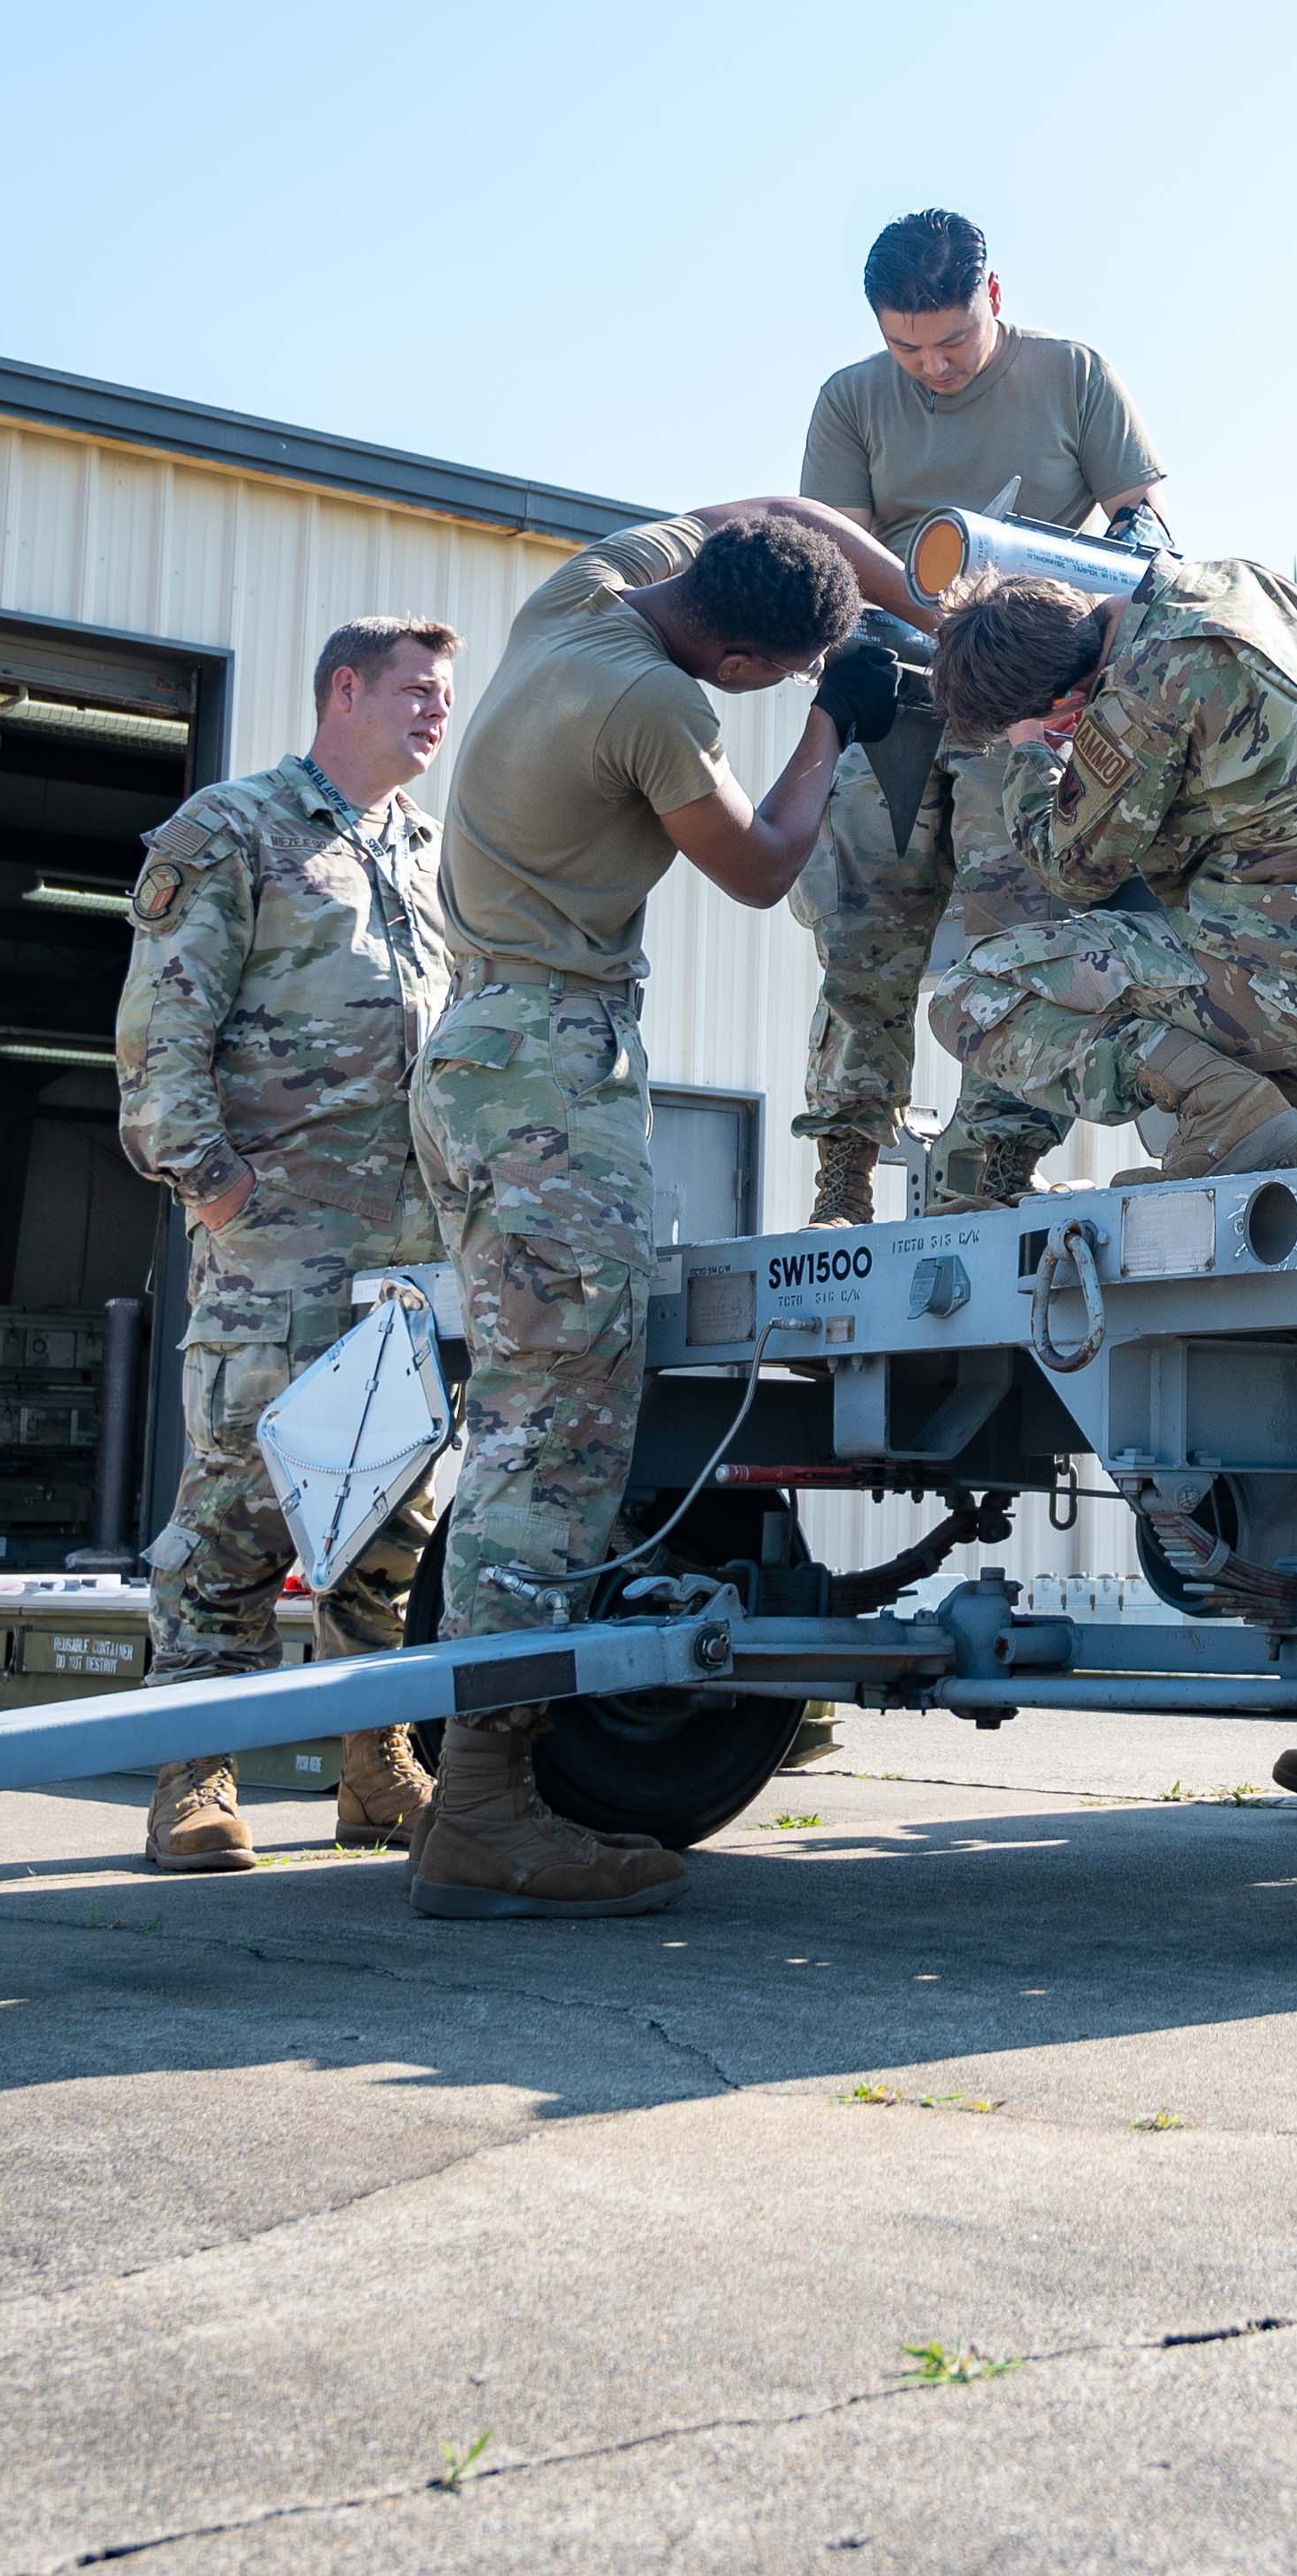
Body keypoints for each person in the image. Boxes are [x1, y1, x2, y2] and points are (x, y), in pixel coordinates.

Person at [407, 500, 917, 1918]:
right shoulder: (653, 701)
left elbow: (784, 509)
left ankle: (473, 1785)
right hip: (548, 1083)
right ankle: (488, 1811)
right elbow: (759, 865)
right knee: (554, 1443)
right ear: (749, 663)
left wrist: (916, 610)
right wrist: (837, 722)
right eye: (779, 677)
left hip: (484, 1055)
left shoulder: (584, 596)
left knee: (525, 1424)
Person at [114, 616, 465, 1873]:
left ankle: (374, 1760)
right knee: (240, 1503)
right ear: (344, 689)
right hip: (278, 1241)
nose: (437, 711)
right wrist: (214, 1188)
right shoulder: (235, 828)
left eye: (445, 693)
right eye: (417, 690)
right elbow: (162, 1027)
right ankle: (194, 1769)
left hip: (411, 1251)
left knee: (387, 1514)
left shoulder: (424, 852)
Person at [794, 210, 1173, 1223]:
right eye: (906, 347)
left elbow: (1149, 527)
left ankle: (995, 1163)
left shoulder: (1071, 374)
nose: (934, 366)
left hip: (1022, 698)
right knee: (864, 933)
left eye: (953, 340)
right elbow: (831, 553)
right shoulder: (850, 402)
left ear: (993, 298)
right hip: (901, 693)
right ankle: (841, 1171)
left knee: (1020, 931)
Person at [919, 560, 1297, 1176]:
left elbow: (1070, 870)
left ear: (1063, 701)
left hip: (1296, 997)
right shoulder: (1246, 584)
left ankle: (1219, 1107)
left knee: (966, 997)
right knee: (1287, 1152)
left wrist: (1030, 750)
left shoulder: (1145, 686)